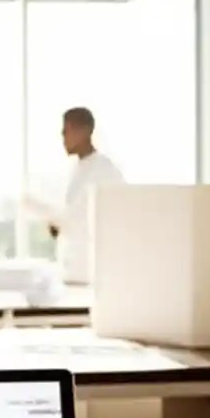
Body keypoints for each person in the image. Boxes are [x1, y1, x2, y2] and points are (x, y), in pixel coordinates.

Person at [48, 107, 124, 285]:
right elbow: (75, 214)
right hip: (72, 272)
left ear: (84, 132)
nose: (62, 137)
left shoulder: (106, 171)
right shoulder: (76, 171)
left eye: (66, 130)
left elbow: (116, 221)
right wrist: (58, 226)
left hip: (93, 275)